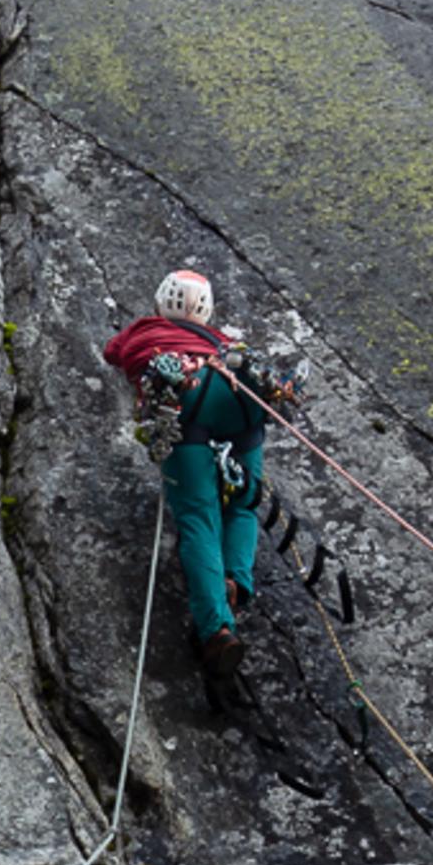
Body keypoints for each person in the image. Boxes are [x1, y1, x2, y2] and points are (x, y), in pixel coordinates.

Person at [101, 270, 298, 678]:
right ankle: (234, 582)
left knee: (198, 516)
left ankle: (217, 627)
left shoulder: (145, 332)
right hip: (240, 398)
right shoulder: (223, 344)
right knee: (243, 505)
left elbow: (112, 353)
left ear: (161, 301)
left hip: (186, 401)